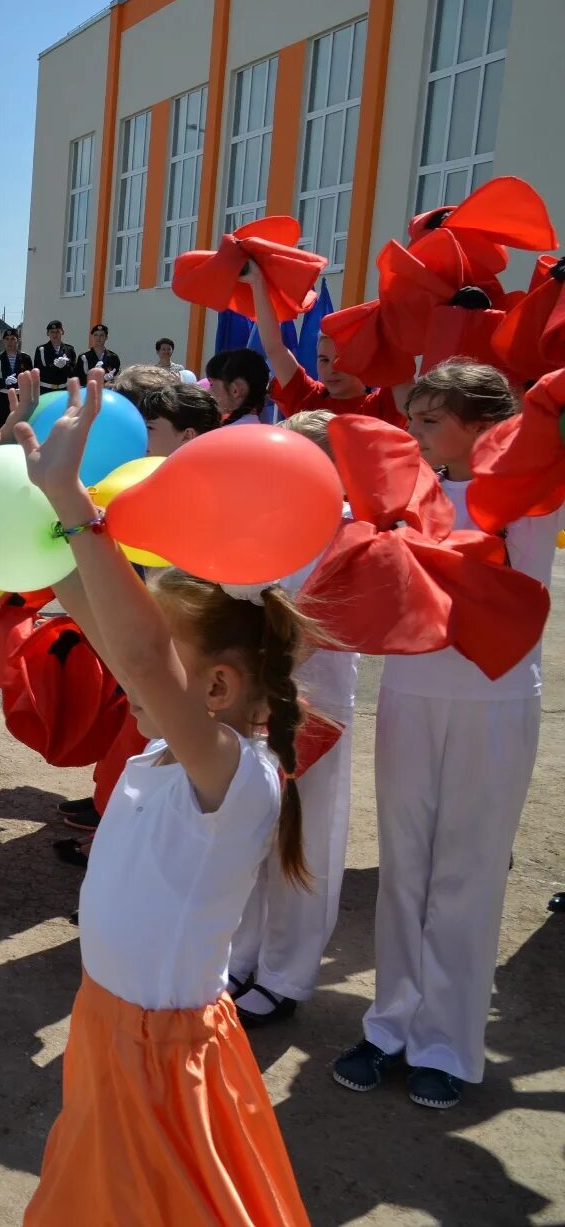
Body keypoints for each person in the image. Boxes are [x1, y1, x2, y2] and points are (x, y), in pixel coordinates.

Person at [16, 374, 312, 1225]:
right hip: (109, 1029)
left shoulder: (235, 775)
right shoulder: (167, 748)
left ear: (216, 686)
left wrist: (76, 503)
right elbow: (118, 637)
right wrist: (30, 498)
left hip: (160, 1052)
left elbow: (142, 658)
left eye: (159, 662)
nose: (127, 670)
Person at [335, 362, 561, 1111]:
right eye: (416, 417)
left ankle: (448, 1044)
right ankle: (390, 1024)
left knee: (467, 874)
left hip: (493, 706)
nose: (415, 432)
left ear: (481, 425)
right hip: (410, 695)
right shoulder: (408, 495)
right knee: (404, 869)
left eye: (431, 419)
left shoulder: (529, 494)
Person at [230, 409, 357, 1030]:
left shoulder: (349, 533)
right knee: (253, 835)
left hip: (316, 707)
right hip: (256, 700)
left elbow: (323, 624)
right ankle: (241, 956)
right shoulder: (272, 518)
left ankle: (286, 976)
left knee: (302, 846)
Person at [250, 287, 406, 427]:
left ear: (364, 361)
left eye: (342, 359)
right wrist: (258, 284)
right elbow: (274, 347)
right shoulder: (308, 398)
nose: (332, 369)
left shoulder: (384, 405)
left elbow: (399, 354)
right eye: (324, 359)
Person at [204, 347, 272, 425]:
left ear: (235, 390)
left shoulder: (223, 435)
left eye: (211, 384)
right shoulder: (262, 429)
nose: (208, 391)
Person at [0, 327, 34, 422]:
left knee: (19, 426)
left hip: (20, 397)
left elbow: (31, 379)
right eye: (7, 339)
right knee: (1, 427)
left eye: (13, 338)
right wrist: (4, 382)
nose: (10, 342)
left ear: (18, 340)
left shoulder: (26, 358)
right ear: (3, 341)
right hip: (2, 397)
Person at [35, 319, 75, 394]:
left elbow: (72, 373)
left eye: (57, 332)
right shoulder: (41, 350)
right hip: (45, 390)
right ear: (47, 333)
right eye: (52, 332)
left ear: (62, 332)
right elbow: (38, 371)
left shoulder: (69, 349)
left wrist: (64, 366)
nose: (54, 334)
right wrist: (55, 366)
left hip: (62, 390)